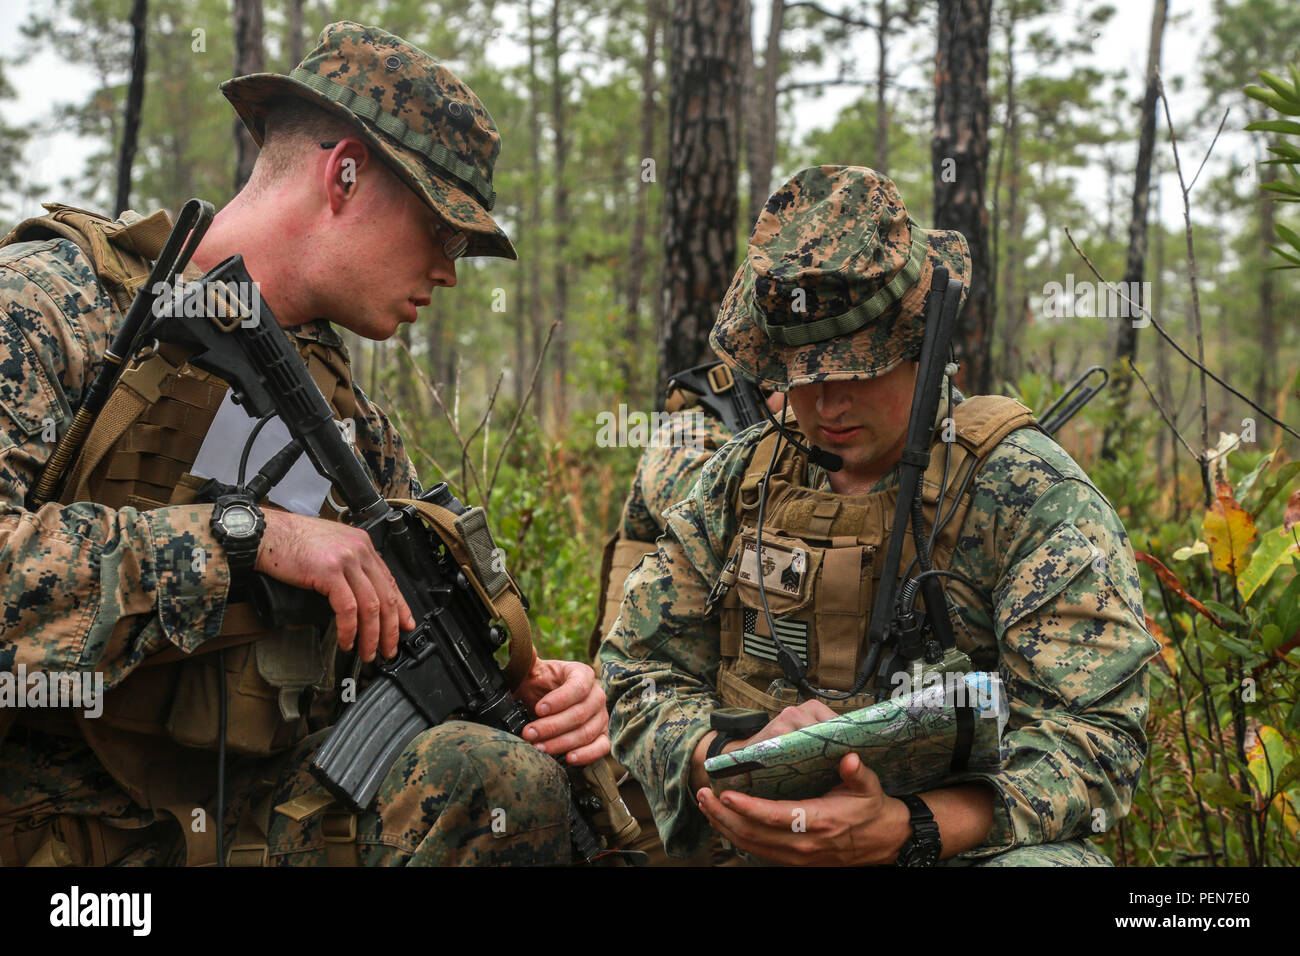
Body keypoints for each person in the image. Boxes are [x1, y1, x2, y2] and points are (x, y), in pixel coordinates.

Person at [0, 21, 607, 867]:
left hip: (245, 821)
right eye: (442, 231)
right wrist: (248, 541)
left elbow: (433, 608)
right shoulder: (50, 309)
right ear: (345, 173)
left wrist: (548, 683)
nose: (451, 272)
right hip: (57, 832)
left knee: (504, 782)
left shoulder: (343, 413)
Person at [598, 165, 1160, 866]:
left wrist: (907, 827)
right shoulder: (742, 480)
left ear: (925, 347)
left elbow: (1097, 736)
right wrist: (726, 754)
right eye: (803, 375)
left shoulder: (1027, 494)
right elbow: (636, 673)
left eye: (859, 371)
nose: (828, 405)